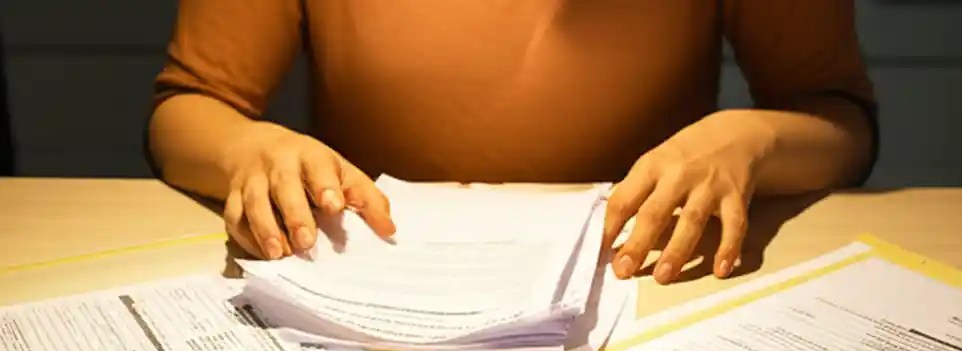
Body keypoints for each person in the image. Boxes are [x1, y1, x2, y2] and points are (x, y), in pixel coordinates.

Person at [146, 1, 876, 284]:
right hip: (370, 279)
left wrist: (747, 138)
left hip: (643, 286)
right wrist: (249, 150)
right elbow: (188, 107)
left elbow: (840, 122)